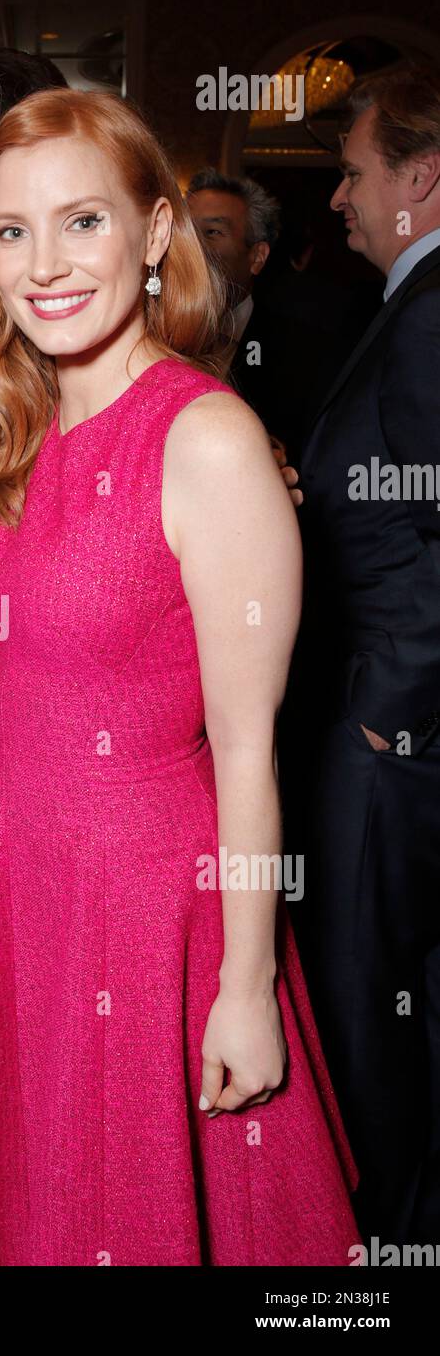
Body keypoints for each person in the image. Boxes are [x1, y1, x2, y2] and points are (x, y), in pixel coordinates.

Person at [0, 87, 361, 1266]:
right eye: (11, 231)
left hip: (141, 906)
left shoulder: (204, 436)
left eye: (84, 222)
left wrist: (248, 982)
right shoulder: (18, 420)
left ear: (155, 233)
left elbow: (251, 751)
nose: (44, 265)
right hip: (9, 874)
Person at [288, 64, 440, 1248]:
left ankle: (386, 1247)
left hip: (388, 741)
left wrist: (397, 713)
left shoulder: (433, 309)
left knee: (362, 1012)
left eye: (349, 171)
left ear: (417, 175)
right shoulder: (406, 302)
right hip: (383, 728)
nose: (336, 198)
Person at [186, 169, 348, 465]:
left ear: (257, 257)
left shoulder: (306, 353)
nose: (193, 247)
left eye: (212, 232)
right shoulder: (147, 336)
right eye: (185, 232)